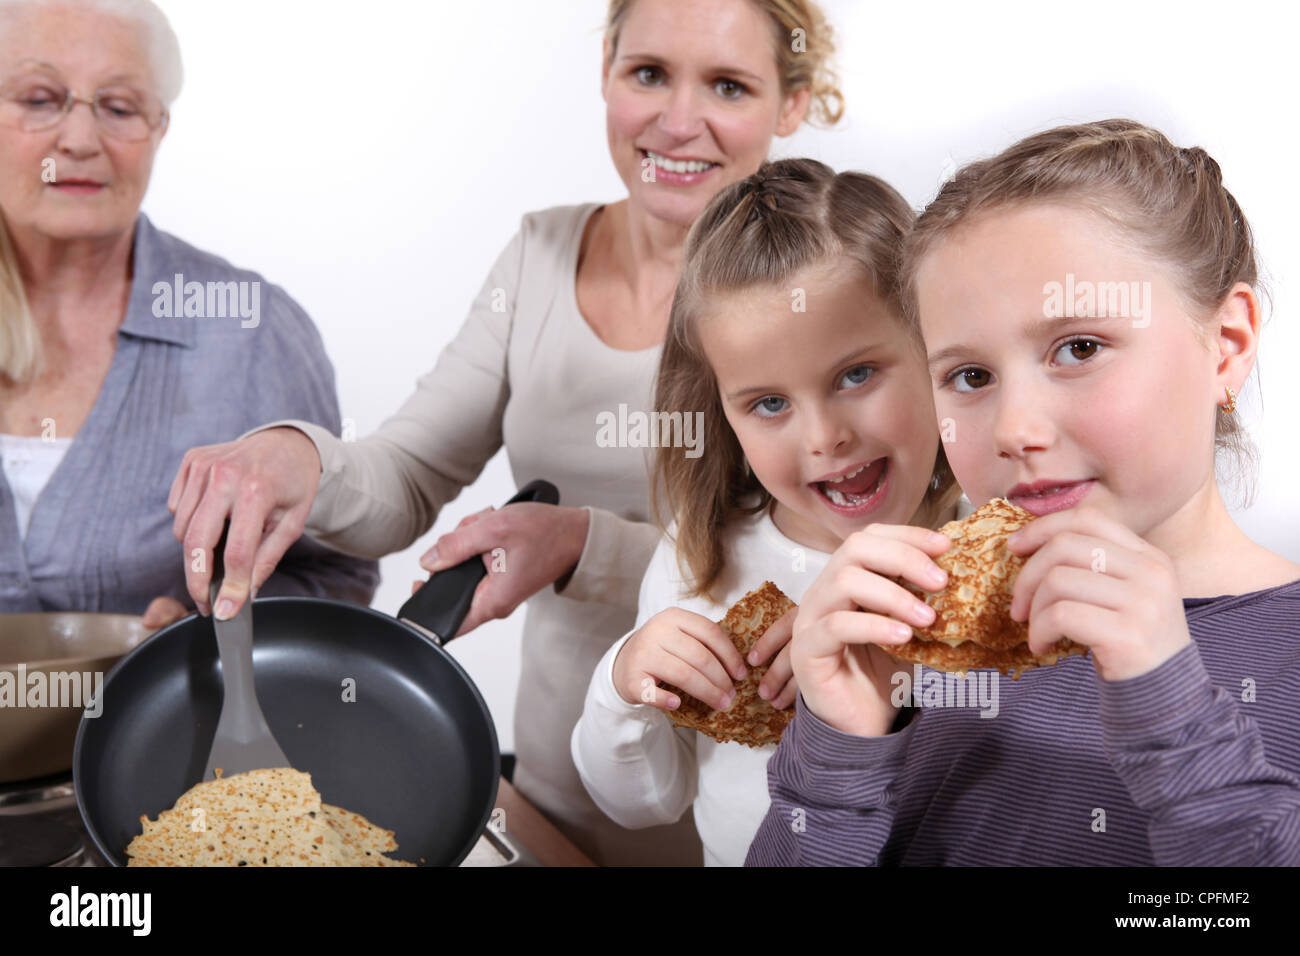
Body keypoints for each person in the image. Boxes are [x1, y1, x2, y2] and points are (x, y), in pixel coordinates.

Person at [165, 0, 844, 865]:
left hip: (746, 808)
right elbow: (406, 475)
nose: (679, 122)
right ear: (606, 67)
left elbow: (820, 565)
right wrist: (295, 455)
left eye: (728, 85)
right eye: (648, 74)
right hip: (553, 787)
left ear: (791, 103)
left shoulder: (814, 286)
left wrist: (581, 547)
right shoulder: (540, 255)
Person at [747, 119, 1300, 866]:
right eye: (969, 377)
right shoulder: (921, 650)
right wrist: (839, 749)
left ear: (1225, 347)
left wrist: (1170, 708)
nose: (1014, 429)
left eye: (1078, 349)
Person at [572, 158, 970, 865]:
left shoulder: (986, 554)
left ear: (933, 342)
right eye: (770, 404)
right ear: (722, 414)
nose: (824, 438)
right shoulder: (701, 563)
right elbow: (645, 805)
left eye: (856, 374)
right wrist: (622, 686)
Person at [0, 0, 377, 621]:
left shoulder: (250, 328)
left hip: (168, 723)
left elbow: (335, 573)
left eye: (119, 108)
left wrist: (218, 640)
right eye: (40, 99)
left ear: (159, 127)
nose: (79, 140)